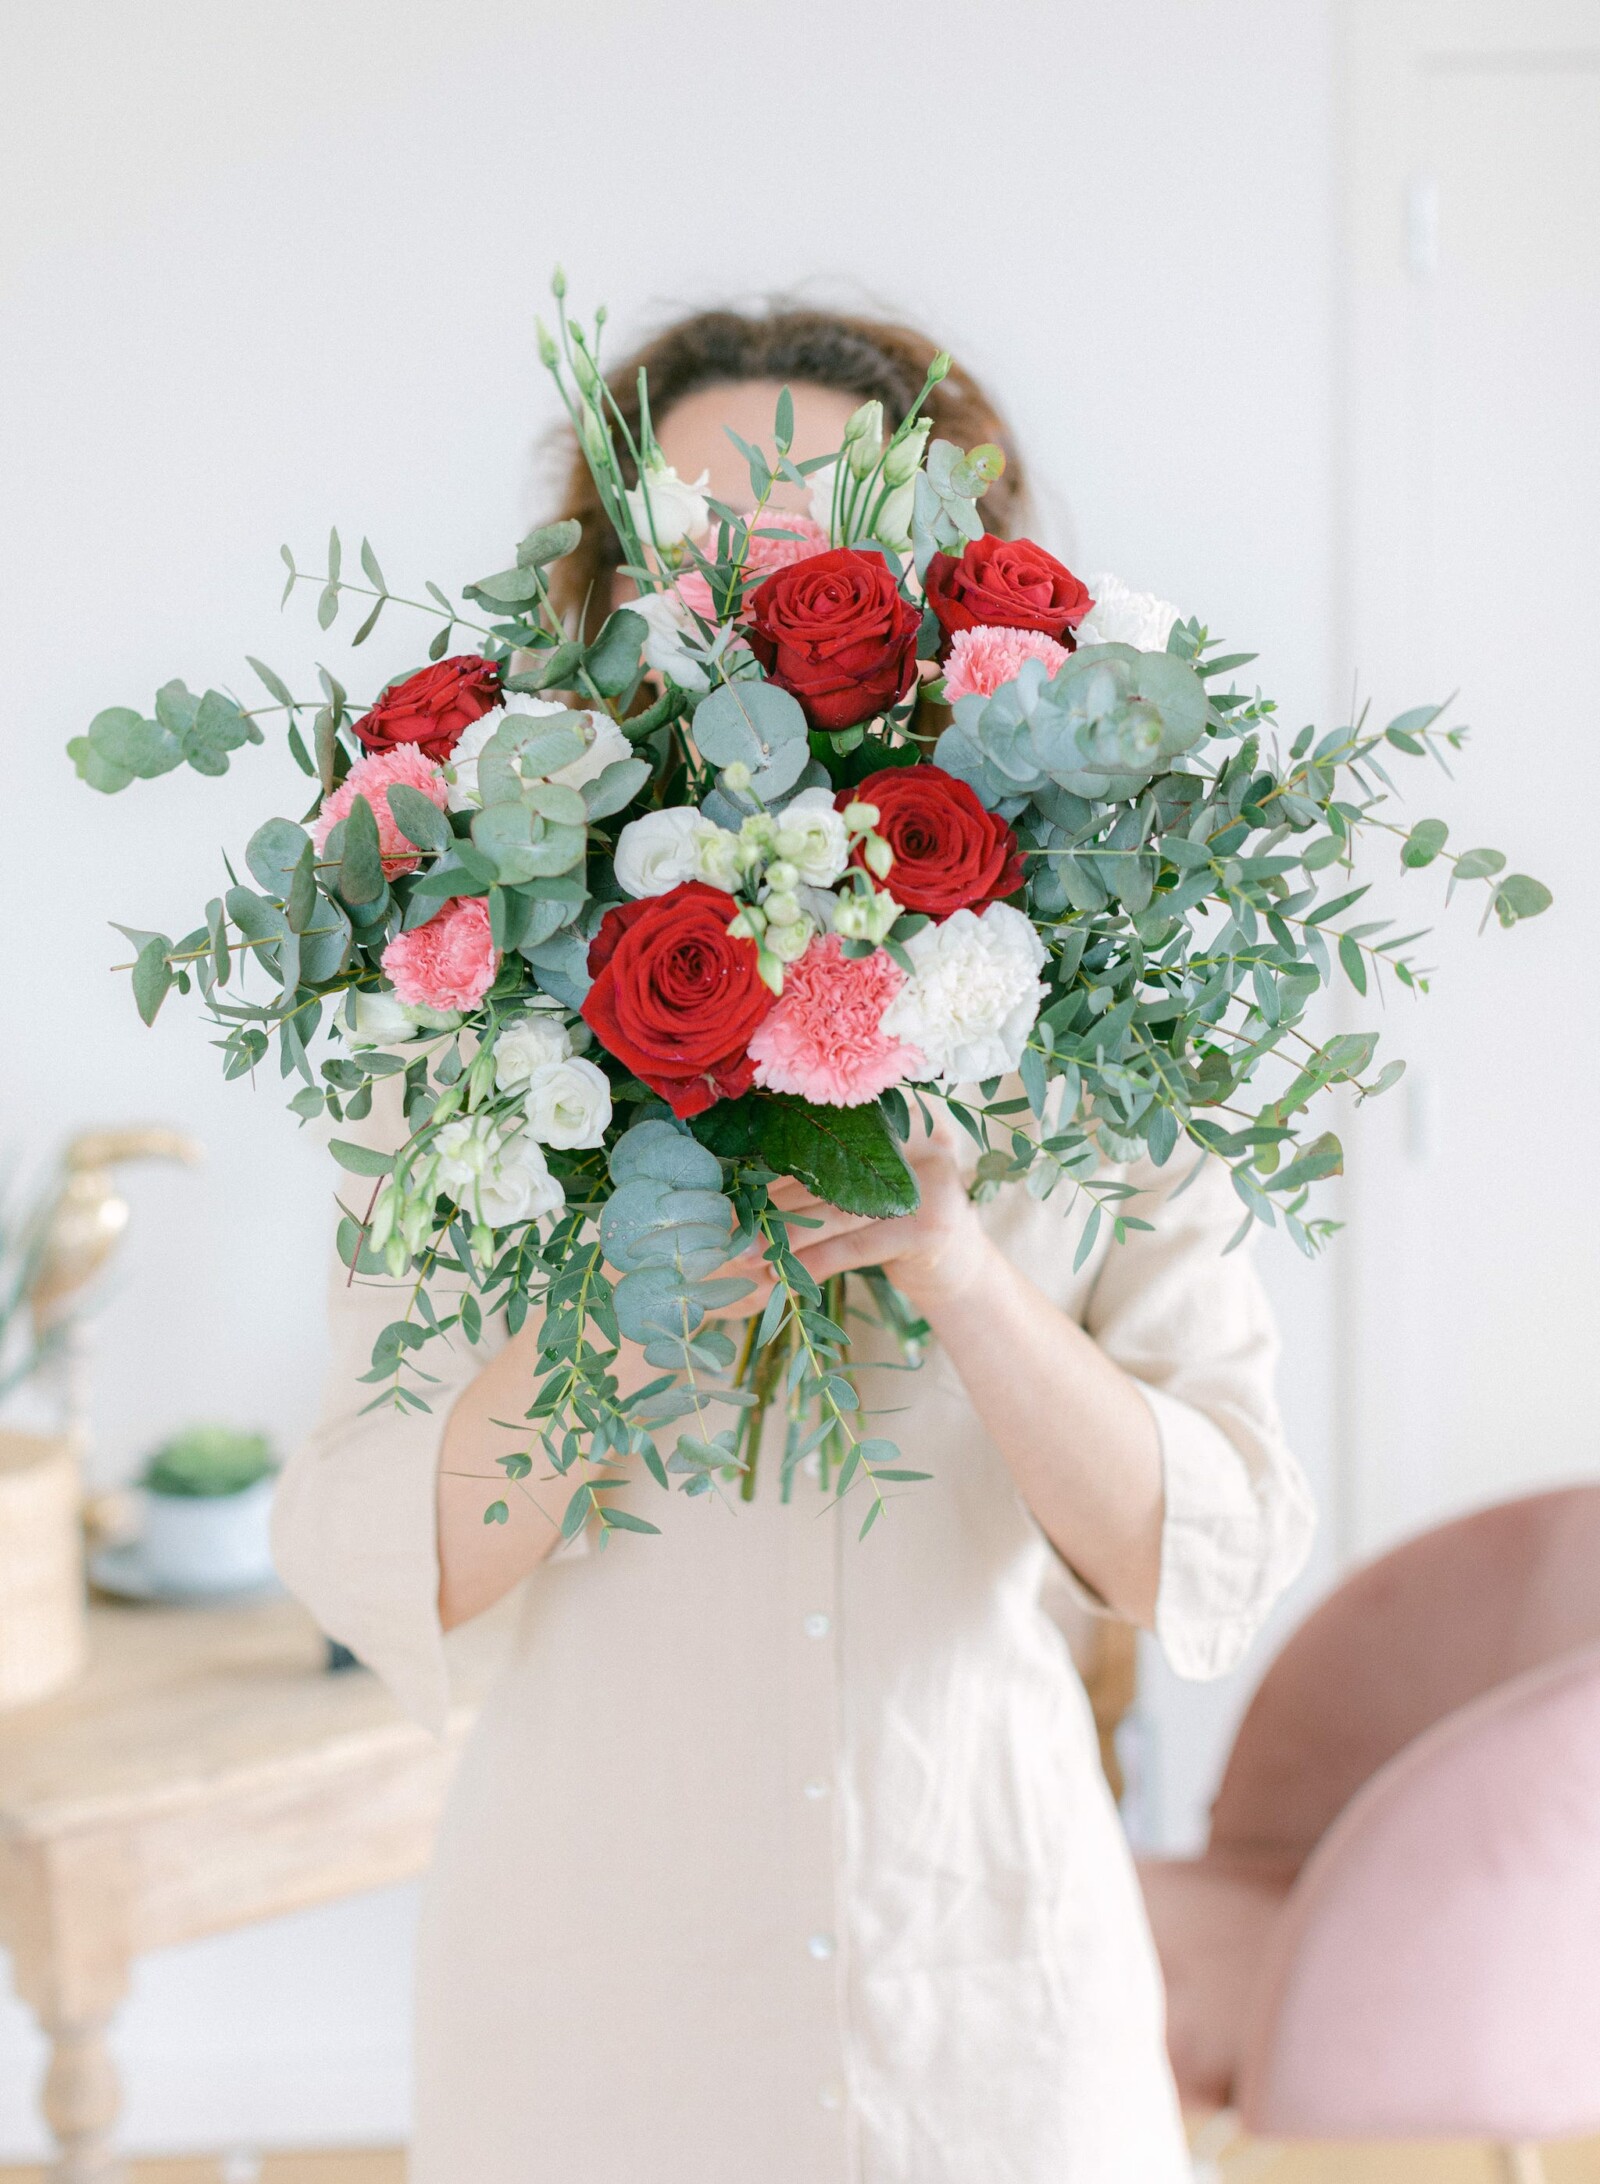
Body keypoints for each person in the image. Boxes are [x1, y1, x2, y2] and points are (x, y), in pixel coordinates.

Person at [273, 304, 1315, 2184]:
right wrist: (615, 1306)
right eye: (709, 543)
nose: (766, 583)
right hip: (592, 2019)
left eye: (830, 537)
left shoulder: (1106, 1046)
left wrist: (964, 1273)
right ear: (610, 593)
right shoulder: (455, 1036)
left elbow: (1202, 1544)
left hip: (986, 1990)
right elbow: (385, 1556)